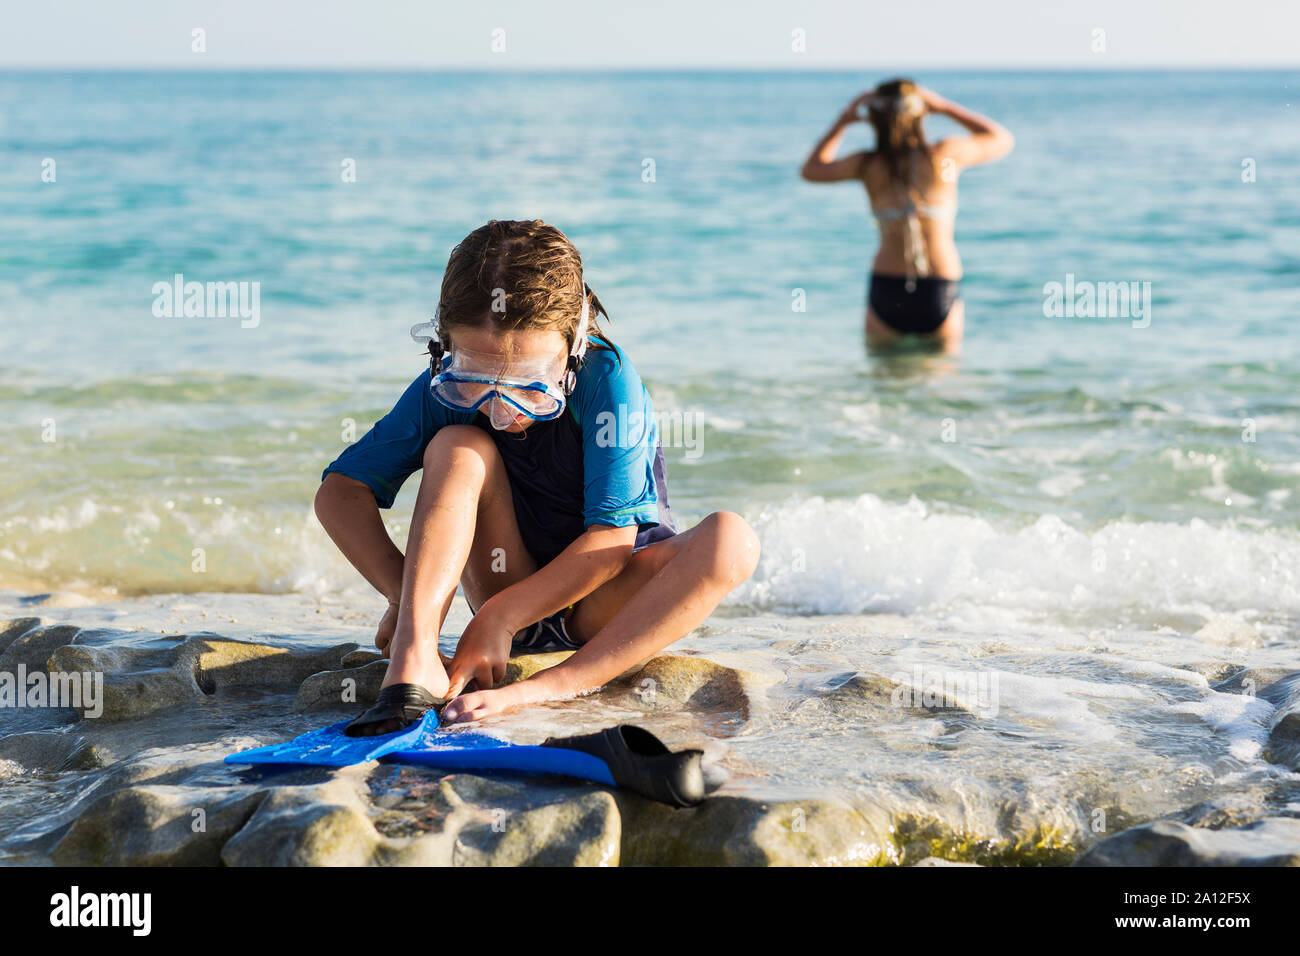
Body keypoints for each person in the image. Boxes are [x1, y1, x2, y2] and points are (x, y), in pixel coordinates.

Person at [314, 219, 760, 734]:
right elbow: (340, 493)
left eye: (530, 386)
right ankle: (414, 659)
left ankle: (552, 685)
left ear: (574, 343)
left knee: (732, 540)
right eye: (474, 381)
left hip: (607, 605)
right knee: (458, 445)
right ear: (445, 348)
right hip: (504, 582)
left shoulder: (608, 381)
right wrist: (405, 600)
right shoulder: (438, 386)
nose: (502, 410)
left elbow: (612, 543)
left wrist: (500, 617)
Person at [800, 79, 1013, 352]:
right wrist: (944, 107)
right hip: (939, 284)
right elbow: (1002, 139)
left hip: (887, 284)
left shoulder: (868, 164)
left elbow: (811, 170)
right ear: (921, 112)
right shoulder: (944, 156)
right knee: (942, 376)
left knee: (882, 375)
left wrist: (844, 120)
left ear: (874, 118)